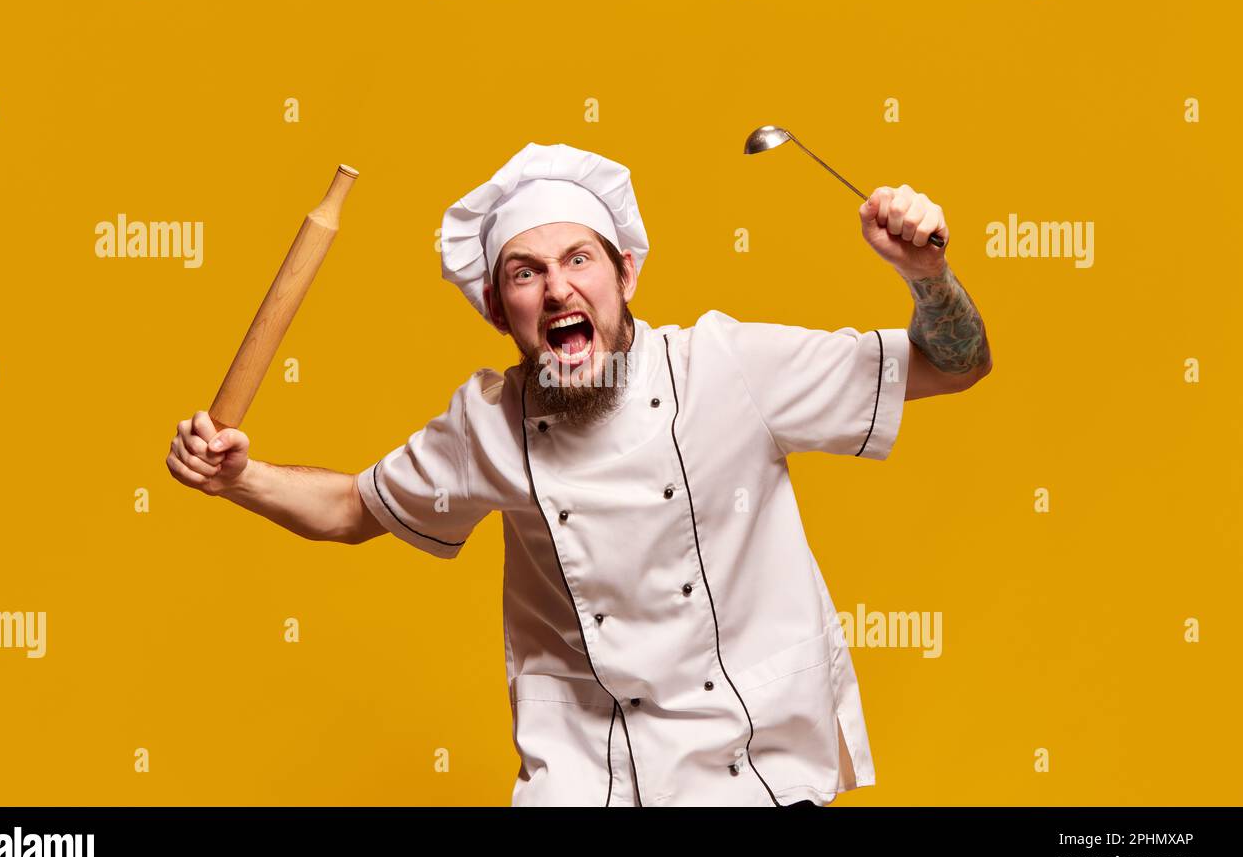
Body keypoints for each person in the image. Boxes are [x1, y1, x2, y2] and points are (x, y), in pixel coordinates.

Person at [166, 142, 992, 807]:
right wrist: (240, 477)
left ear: (626, 273)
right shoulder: (486, 423)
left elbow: (956, 365)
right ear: (499, 309)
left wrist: (927, 276)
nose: (557, 285)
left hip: (751, 769)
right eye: (525, 272)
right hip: (584, 776)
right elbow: (353, 507)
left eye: (579, 259)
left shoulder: (730, 366)